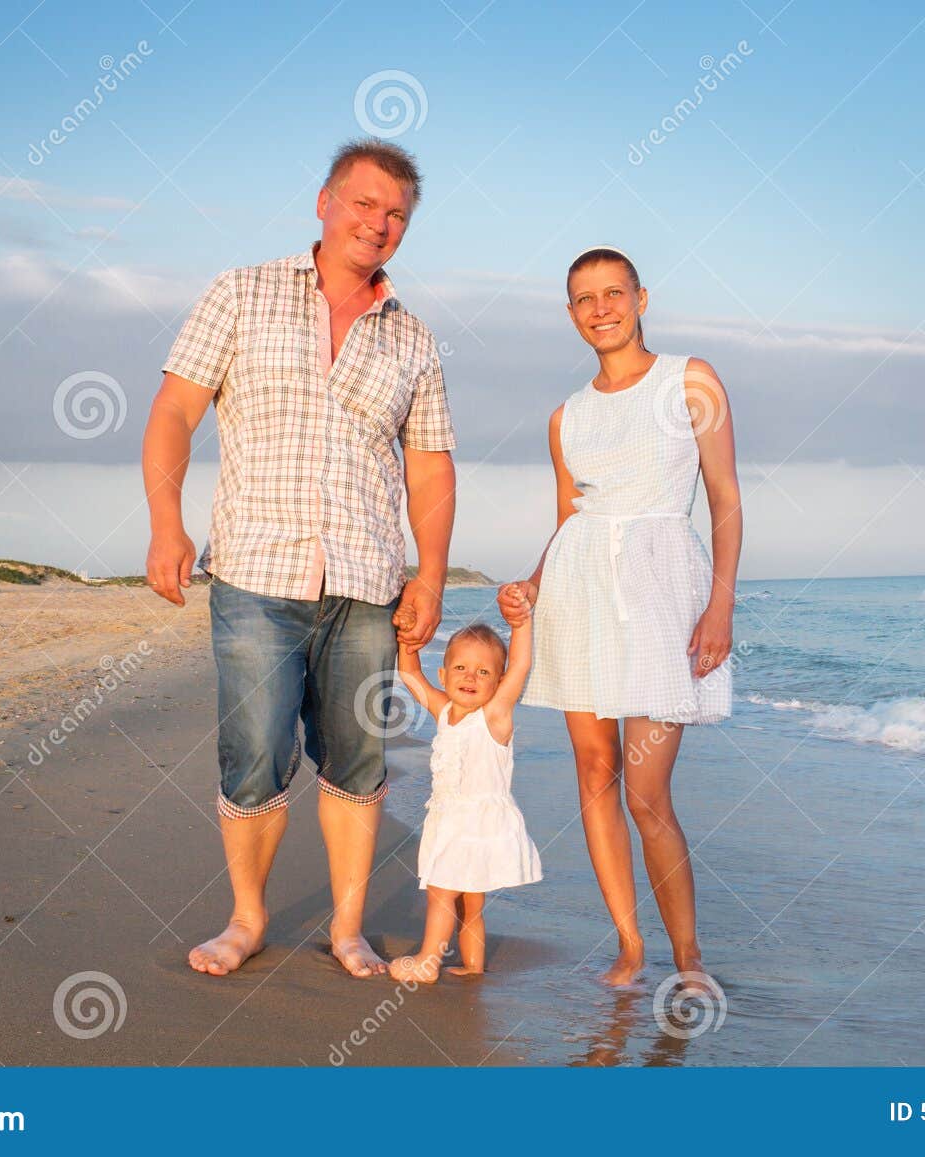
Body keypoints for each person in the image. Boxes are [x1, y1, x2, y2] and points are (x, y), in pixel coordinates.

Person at [141, 138, 457, 979]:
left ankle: (348, 926)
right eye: (365, 203)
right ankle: (247, 919)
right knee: (252, 754)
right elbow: (175, 410)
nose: (378, 223)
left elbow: (429, 466)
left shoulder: (414, 338)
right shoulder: (240, 294)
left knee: (358, 758)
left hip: (366, 583)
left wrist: (429, 573)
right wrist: (165, 523)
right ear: (324, 201)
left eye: (396, 214)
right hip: (255, 573)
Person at [499, 246, 741, 990]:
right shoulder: (565, 417)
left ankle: (689, 957)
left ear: (641, 297)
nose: (600, 308)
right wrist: (532, 586)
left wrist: (721, 601)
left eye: (613, 293)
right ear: (570, 313)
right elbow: (571, 517)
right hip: (577, 594)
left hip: (663, 593)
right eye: (583, 298)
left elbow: (725, 499)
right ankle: (631, 947)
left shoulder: (690, 380)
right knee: (595, 772)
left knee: (645, 790)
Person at [387, 606, 543, 984]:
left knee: (442, 891)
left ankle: (427, 960)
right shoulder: (444, 711)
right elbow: (408, 673)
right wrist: (408, 637)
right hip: (453, 822)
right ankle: (473, 966)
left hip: (472, 826)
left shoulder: (494, 717)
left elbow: (520, 666)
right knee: (469, 905)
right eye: (460, 668)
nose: (470, 677)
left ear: (499, 683)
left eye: (484, 672)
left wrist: (520, 624)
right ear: (443, 675)